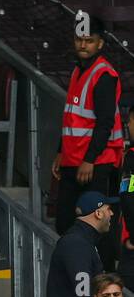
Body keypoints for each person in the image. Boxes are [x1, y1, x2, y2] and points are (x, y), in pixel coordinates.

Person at [52, 20, 125, 267]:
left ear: (100, 43)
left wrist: (89, 159)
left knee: (99, 222)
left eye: (89, 40)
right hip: (74, 159)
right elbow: (71, 117)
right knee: (64, 221)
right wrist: (61, 152)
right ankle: (81, 269)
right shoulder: (79, 70)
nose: (83, 45)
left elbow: (104, 123)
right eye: (79, 39)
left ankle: (102, 276)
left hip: (95, 162)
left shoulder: (103, 74)